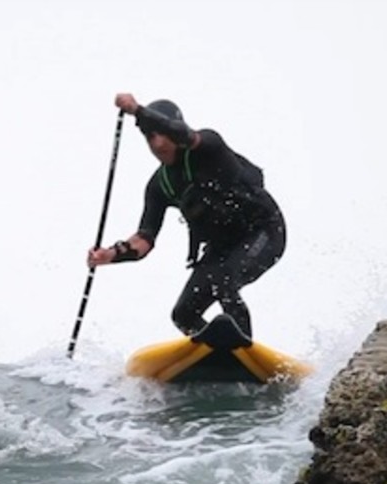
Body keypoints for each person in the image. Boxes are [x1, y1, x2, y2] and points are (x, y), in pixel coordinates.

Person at [87, 93, 287, 339]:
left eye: (162, 133)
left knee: (224, 281)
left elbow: (184, 133)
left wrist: (137, 110)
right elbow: (145, 239)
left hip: (263, 231)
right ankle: (217, 354)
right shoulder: (160, 185)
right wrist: (110, 254)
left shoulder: (209, 146)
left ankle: (244, 351)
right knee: (183, 314)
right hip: (221, 248)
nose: (158, 144)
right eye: (150, 136)